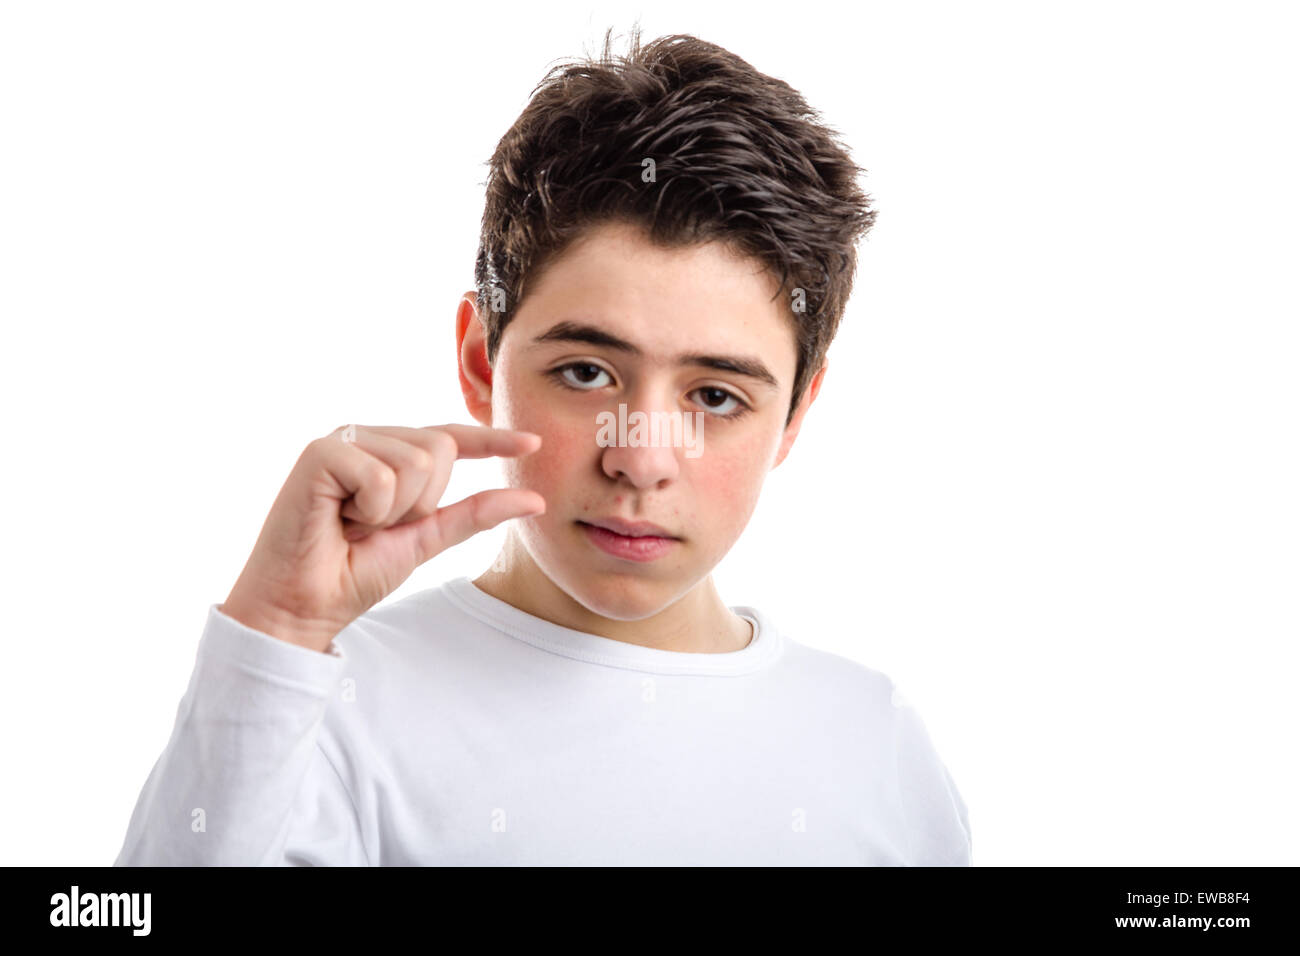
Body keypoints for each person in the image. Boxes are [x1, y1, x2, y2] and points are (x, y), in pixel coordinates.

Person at [114, 27, 972, 866]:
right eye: (588, 373)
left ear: (793, 415)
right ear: (483, 362)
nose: (640, 459)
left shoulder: (876, 741)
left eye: (714, 396)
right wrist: (276, 631)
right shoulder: (324, 706)